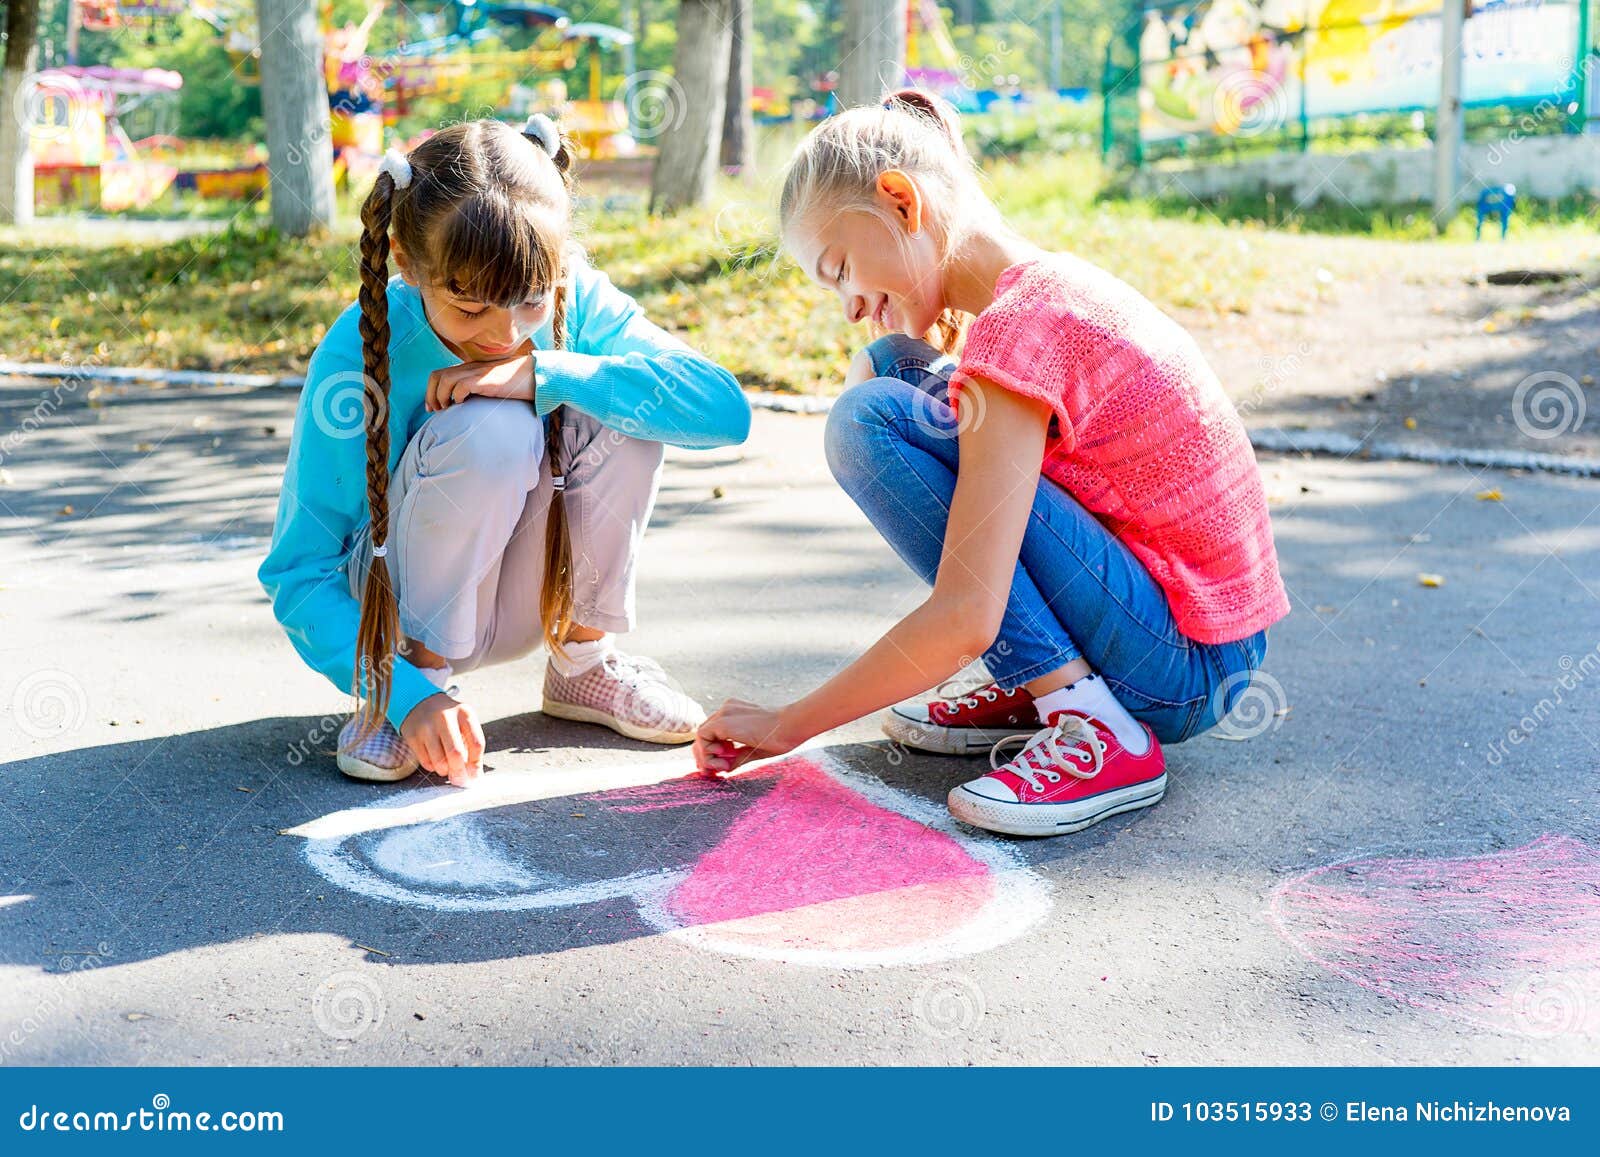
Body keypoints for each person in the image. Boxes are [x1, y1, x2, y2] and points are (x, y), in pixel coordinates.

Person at [695, 90, 1288, 838]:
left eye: (840, 266)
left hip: (1185, 667)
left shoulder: (1018, 334)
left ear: (901, 202)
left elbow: (965, 614)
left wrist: (789, 722)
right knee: (893, 369)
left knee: (868, 420)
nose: (847, 302)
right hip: (1195, 633)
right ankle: (1045, 678)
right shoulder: (1037, 294)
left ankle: (1093, 725)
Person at [260, 116, 749, 786]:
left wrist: (544, 375)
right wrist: (405, 692)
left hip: (529, 599)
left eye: (529, 301)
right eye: (469, 307)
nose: (505, 332)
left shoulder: (576, 297)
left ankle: (584, 665)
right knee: (493, 426)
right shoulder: (358, 356)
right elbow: (299, 574)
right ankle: (412, 688)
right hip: (395, 620)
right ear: (407, 261)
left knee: (624, 399)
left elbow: (724, 409)